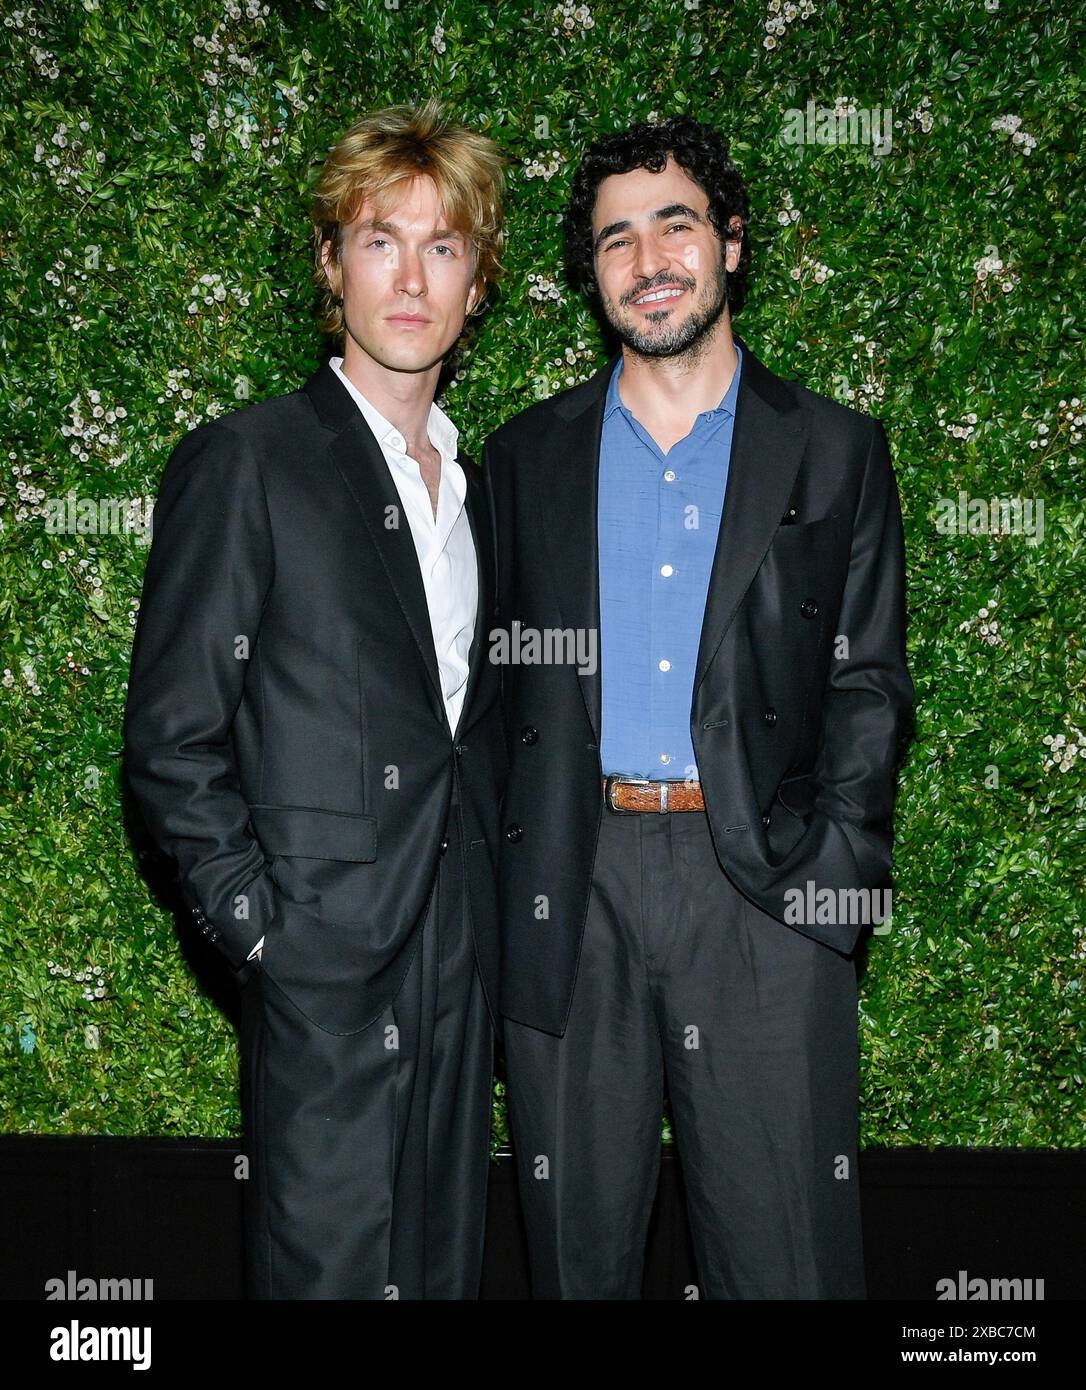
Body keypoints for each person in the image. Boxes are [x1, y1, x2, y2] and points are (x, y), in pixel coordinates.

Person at [483, 115, 915, 1299]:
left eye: (675, 222)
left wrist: (829, 881)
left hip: (766, 894)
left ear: (729, 241)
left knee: (788, 1264)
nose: (648, 258)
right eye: (616, 239)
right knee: (575, 1265)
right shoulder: (524, 458)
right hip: (574, 888)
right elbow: (483, 696)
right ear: (594, 273)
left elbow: (869, 685)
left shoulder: (833, 450)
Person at [123, 99, 508, 1299]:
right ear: (331, 266)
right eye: (379, 239)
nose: (411, 275)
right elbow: (170, 738)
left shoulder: (483, 489)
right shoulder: (249, 459)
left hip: (462, 958)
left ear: (476, 284)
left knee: (441, 1274)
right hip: (323, 968)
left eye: (442, 246)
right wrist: (264, 934)